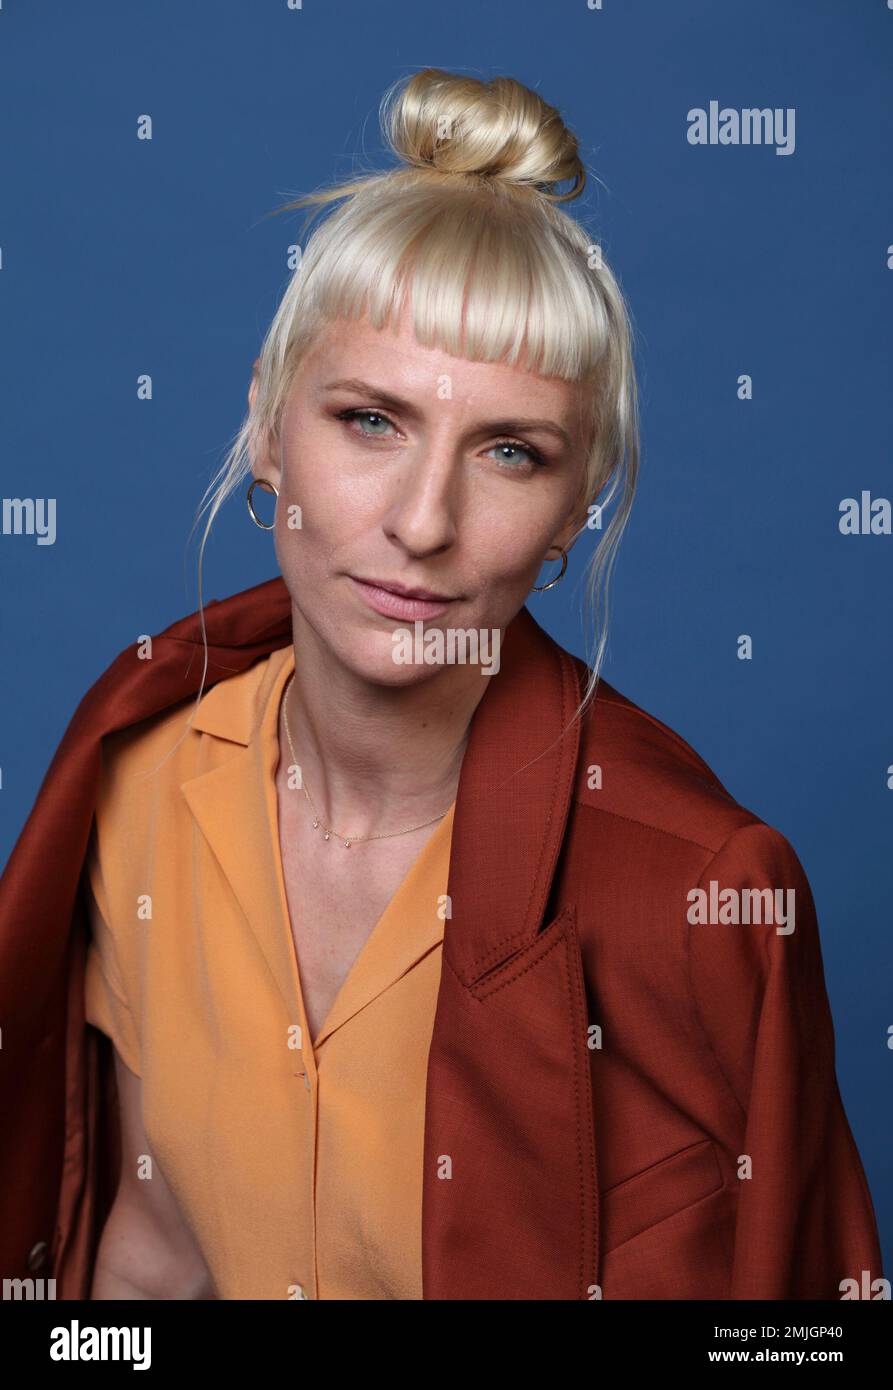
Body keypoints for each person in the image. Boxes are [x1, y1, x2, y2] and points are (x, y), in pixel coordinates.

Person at [0, 68, 882, 1301]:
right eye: (370, 420)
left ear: (576, 507)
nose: (422, 522)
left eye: (509, 452)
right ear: (266, 425)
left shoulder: (700, 891)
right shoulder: (140, 785)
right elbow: (155, 1262)